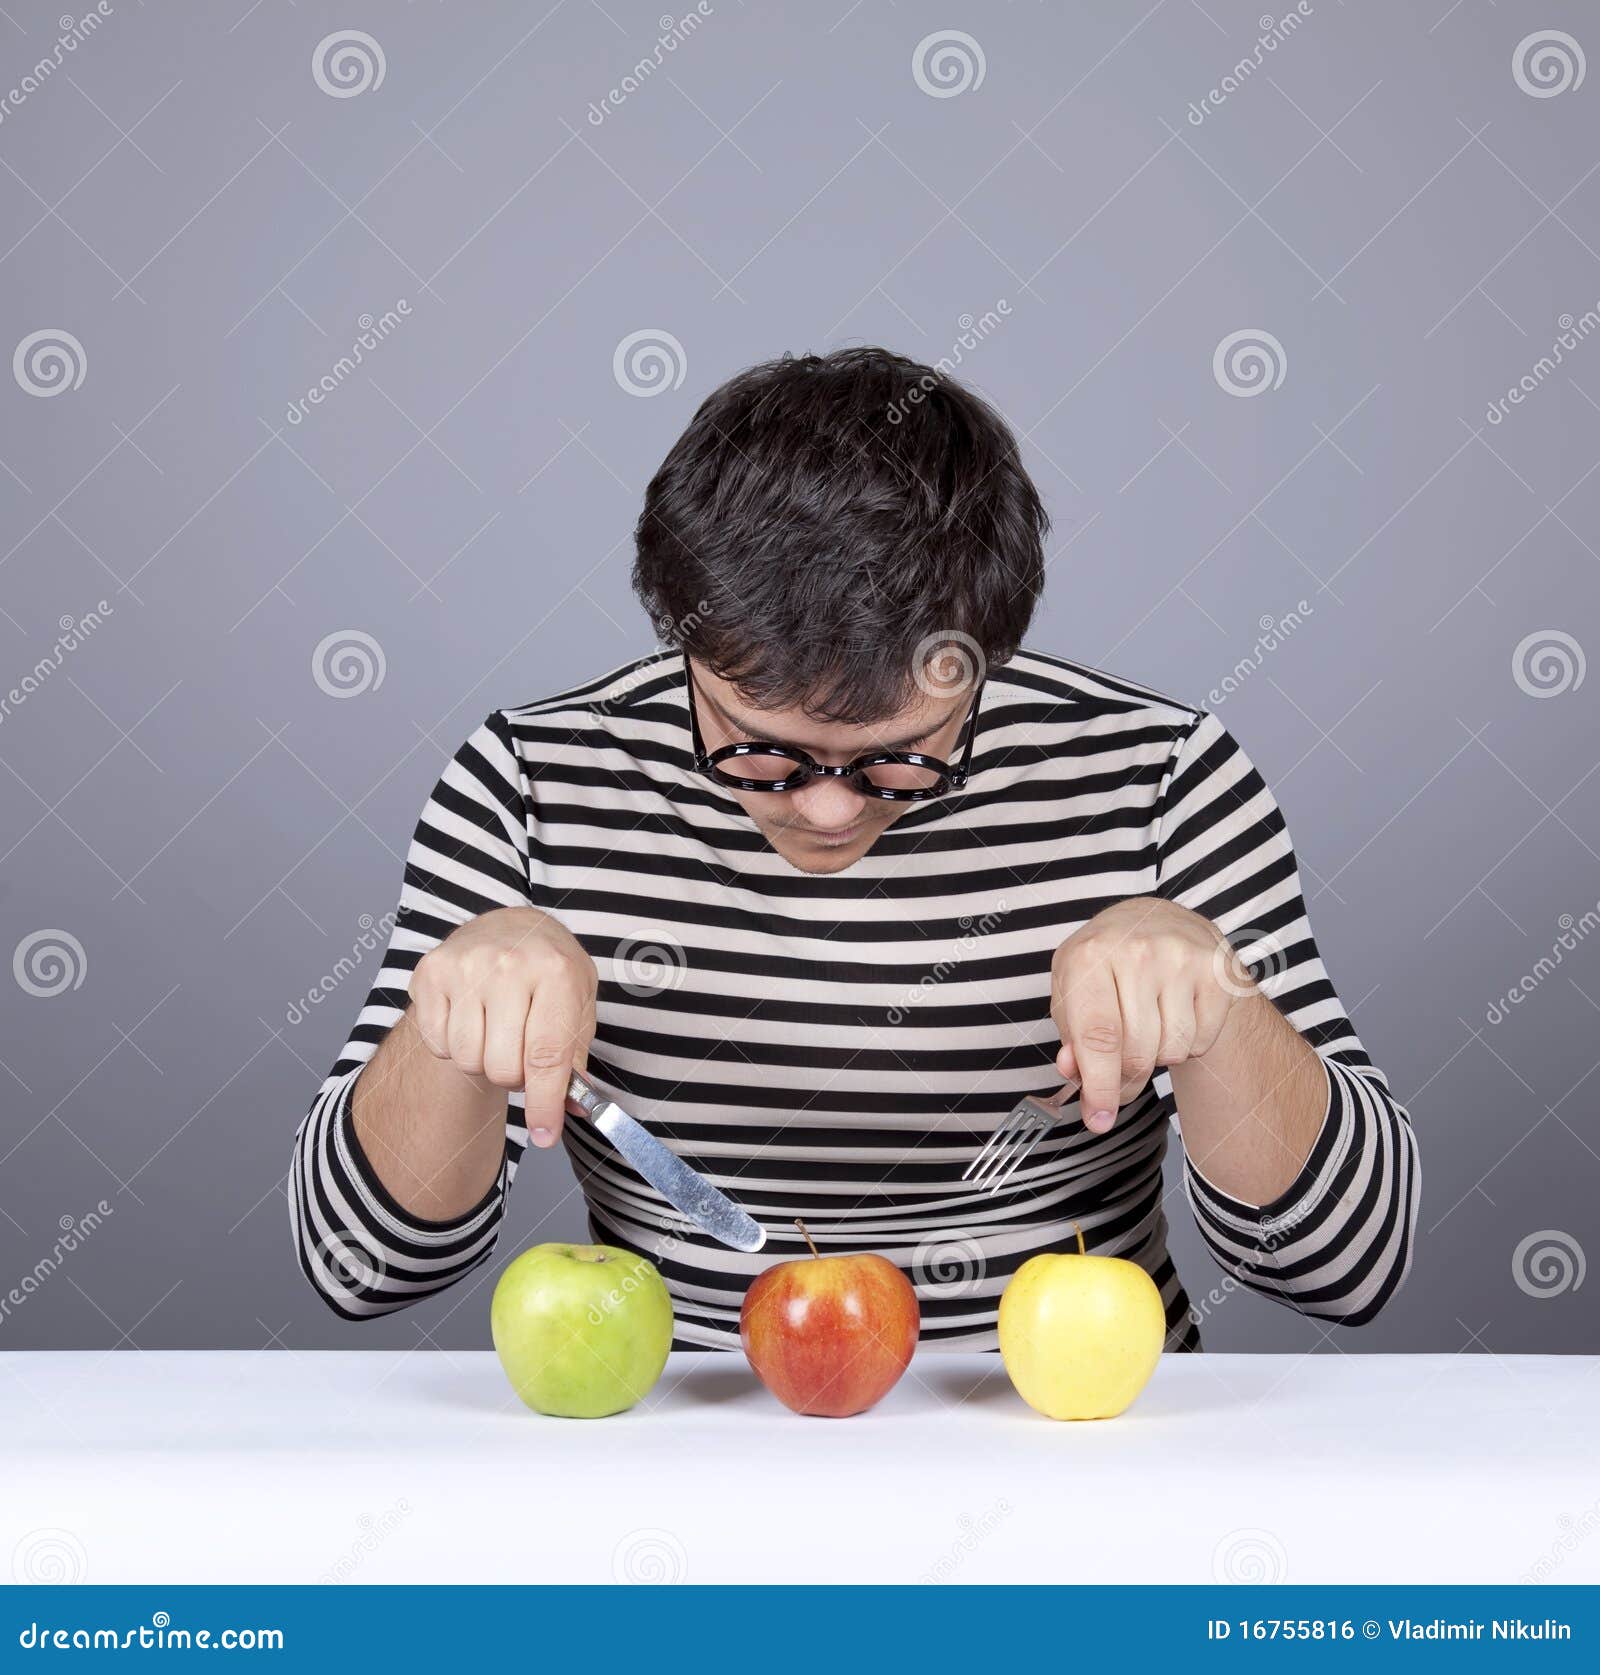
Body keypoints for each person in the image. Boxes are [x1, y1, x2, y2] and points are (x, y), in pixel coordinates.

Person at [289, 346, 1418, 1350]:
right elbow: (363, 1268)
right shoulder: (533, 780)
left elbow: (1345, 1269)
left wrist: (1220, 1010)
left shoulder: (1161, 776)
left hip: (1076, 1449)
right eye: (761, 749)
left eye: (899, 756)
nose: (829, 814)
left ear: (985, 662)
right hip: (669, 1450)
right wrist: (449, 1027)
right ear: (686, 647)